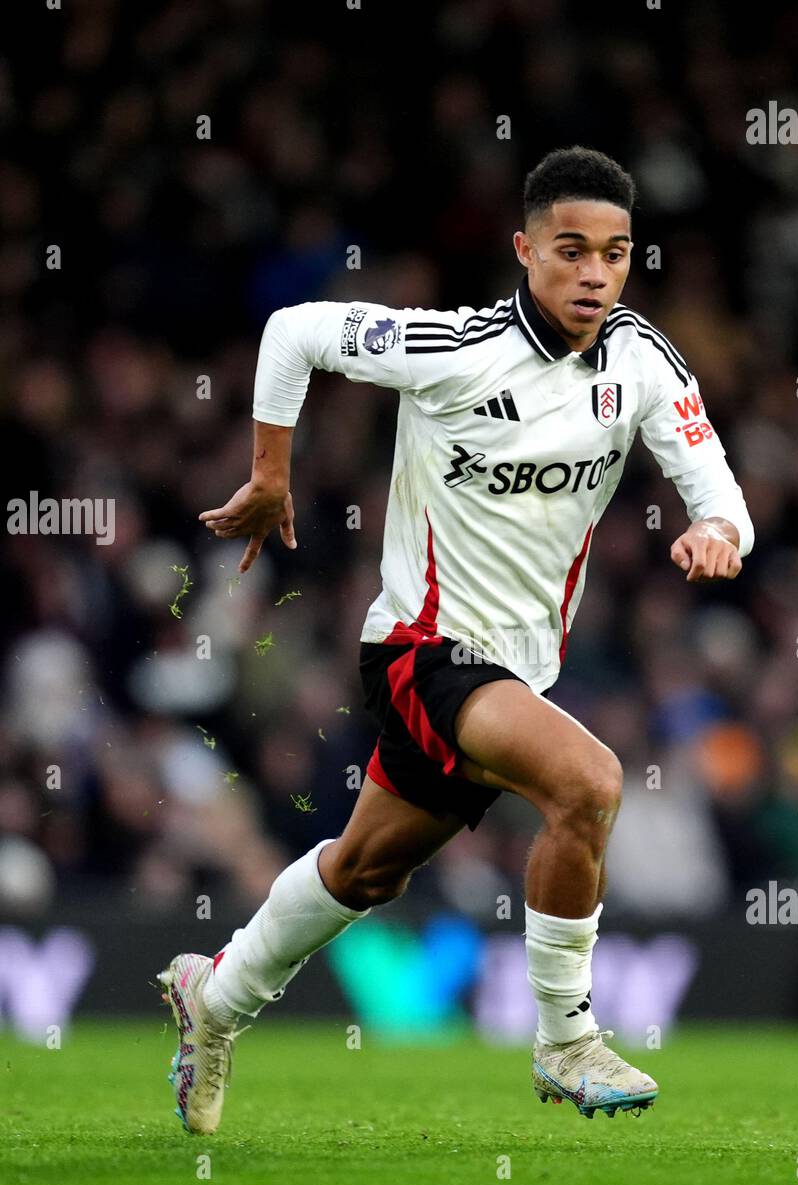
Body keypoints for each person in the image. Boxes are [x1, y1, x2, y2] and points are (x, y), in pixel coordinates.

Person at [159, 145, 754, 1133]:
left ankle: (213, 996)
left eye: (614, 253)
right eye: (570, 250)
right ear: (525, 251)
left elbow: (716, 487)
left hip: (512, 671)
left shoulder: (641, 361)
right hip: (419, 649)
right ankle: (565, 1037)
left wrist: (715, 531)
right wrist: (271, 474)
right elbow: (294, 331)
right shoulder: (455, 348)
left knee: (365, 870)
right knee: (589, 780)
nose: (594, 273)